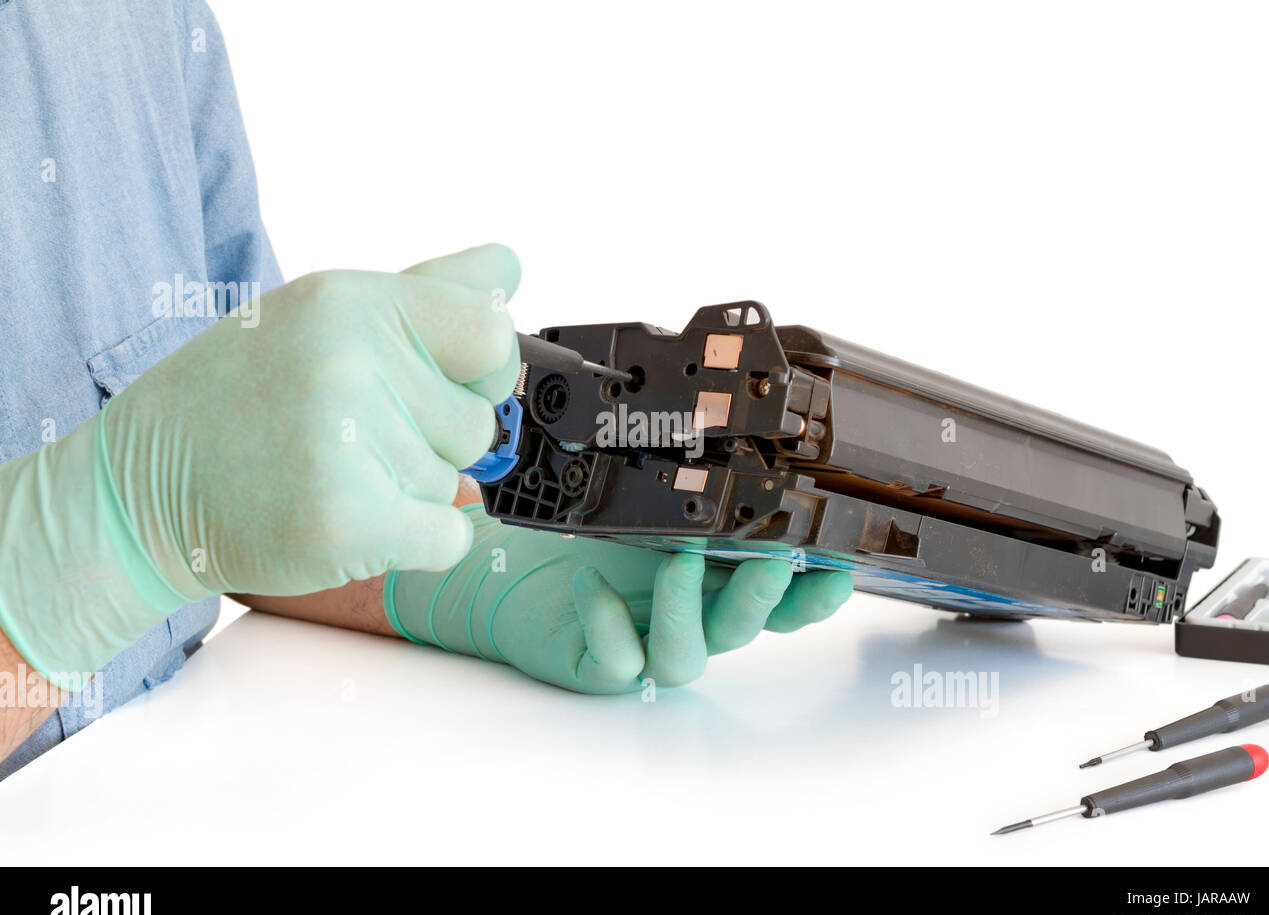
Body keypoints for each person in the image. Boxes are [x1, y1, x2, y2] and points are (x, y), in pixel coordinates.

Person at [0, 0, 853, 779]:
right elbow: (162, 509)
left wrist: (476, 571)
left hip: (172, 788)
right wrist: (106, 541)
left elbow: (243, 503)